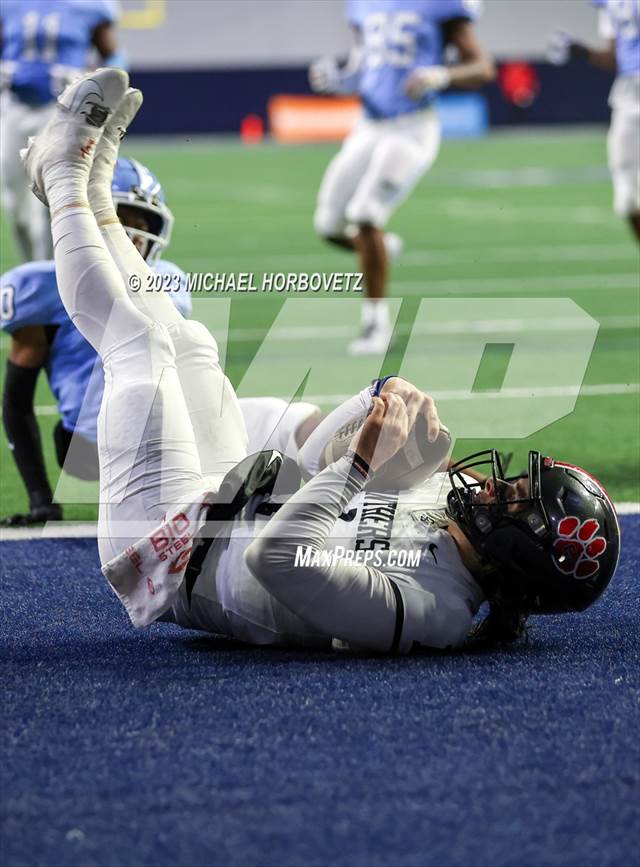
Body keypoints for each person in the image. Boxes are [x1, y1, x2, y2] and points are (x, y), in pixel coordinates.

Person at [22, 68, 620, 654]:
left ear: (518, 554)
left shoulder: (430, 613)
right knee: (189, 341)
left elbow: (277, 558)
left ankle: (63, 173)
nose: (491, 485)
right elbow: (309, 470)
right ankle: (95, 193)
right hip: (231, 495)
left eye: (510, 498)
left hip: (176, 553)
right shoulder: (442, 513)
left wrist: (361, 466)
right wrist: (376, 404)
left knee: (138, 343)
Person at [1, 157, 190, 526]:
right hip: (87, 448)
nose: (134, 234)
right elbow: (17, 400)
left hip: (166, 438)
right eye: (120, 219)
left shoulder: (167, 280)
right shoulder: (41, 288)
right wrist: (43, 500)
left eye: (142, 223)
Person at [309, 0, 495, 355]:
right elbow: (364, 64)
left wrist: (441, 75)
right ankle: (382, 248)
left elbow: (483, 67)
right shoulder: (363, 6)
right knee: (328, 224)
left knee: (365, 213)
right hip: (367, 126)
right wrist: (340, 78)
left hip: (412, 128)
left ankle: (376, 324)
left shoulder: (440, 5)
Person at [0, 0, 124, 262]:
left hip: (62, 110)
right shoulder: (9, 5)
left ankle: (52, 275)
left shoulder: (89, 6)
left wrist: (99, 85)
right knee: (16, 205)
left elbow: (114, 55)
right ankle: (32, 269)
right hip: (13, 107)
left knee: (53, 200)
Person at [547, 0, 640, 243]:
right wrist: (581, 50)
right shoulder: (610, 3)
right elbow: (616, 56)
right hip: (629, 95)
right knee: (627, 197)